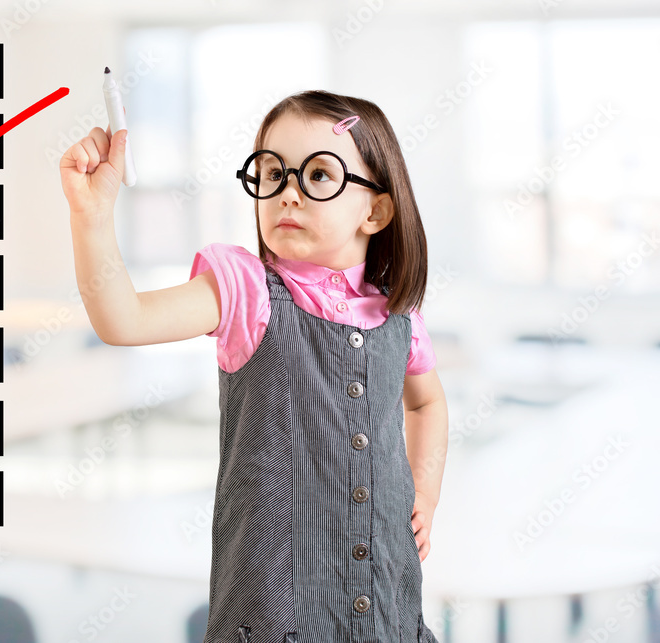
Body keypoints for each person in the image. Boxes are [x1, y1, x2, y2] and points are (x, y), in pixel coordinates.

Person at [60, 89, 448, 643]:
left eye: (317, 176)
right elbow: (124, 320)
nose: (286, 194)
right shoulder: (246, 291)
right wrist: (91, 218)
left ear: (376, 209)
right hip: (272, 620)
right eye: (271, 174)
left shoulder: (398, 314)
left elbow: (428, 401)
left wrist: (425, 492)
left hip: (387, 613)